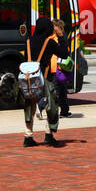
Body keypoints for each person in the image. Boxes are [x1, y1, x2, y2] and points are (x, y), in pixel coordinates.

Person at [22, 17, 69, 147]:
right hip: (45, 79)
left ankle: (28, 136)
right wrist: (61, 36)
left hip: (30, 79)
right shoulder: (49, 42)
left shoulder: (28, 41)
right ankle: (49, 134)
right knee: (52, 105)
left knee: (29, 107)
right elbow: (64, 54)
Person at [52, 18, 74, 117]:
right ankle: (64, 111)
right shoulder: (61, 36)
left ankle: (64, 111)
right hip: (60, 67)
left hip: (55, 66)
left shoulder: (54, 36)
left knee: (58, 89)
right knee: (60, 89)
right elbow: (67, 50)